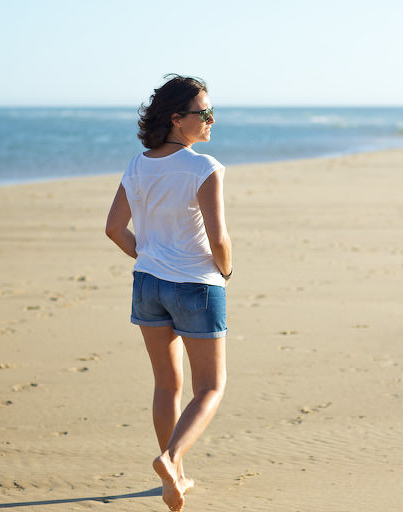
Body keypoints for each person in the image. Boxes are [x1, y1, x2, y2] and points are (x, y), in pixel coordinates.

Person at [105, 74, 232, 512]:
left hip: (148, 284)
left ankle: (173, 478)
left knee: (166, 384)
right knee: (210, 387)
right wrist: (227, 271)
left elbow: (114, 228)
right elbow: (219, 239)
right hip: (195, 284)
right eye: (205, 113)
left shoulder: (137, 165)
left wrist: (149, 256)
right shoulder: (204, 167)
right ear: (177, 119)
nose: (212, 120)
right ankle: (172, 458)